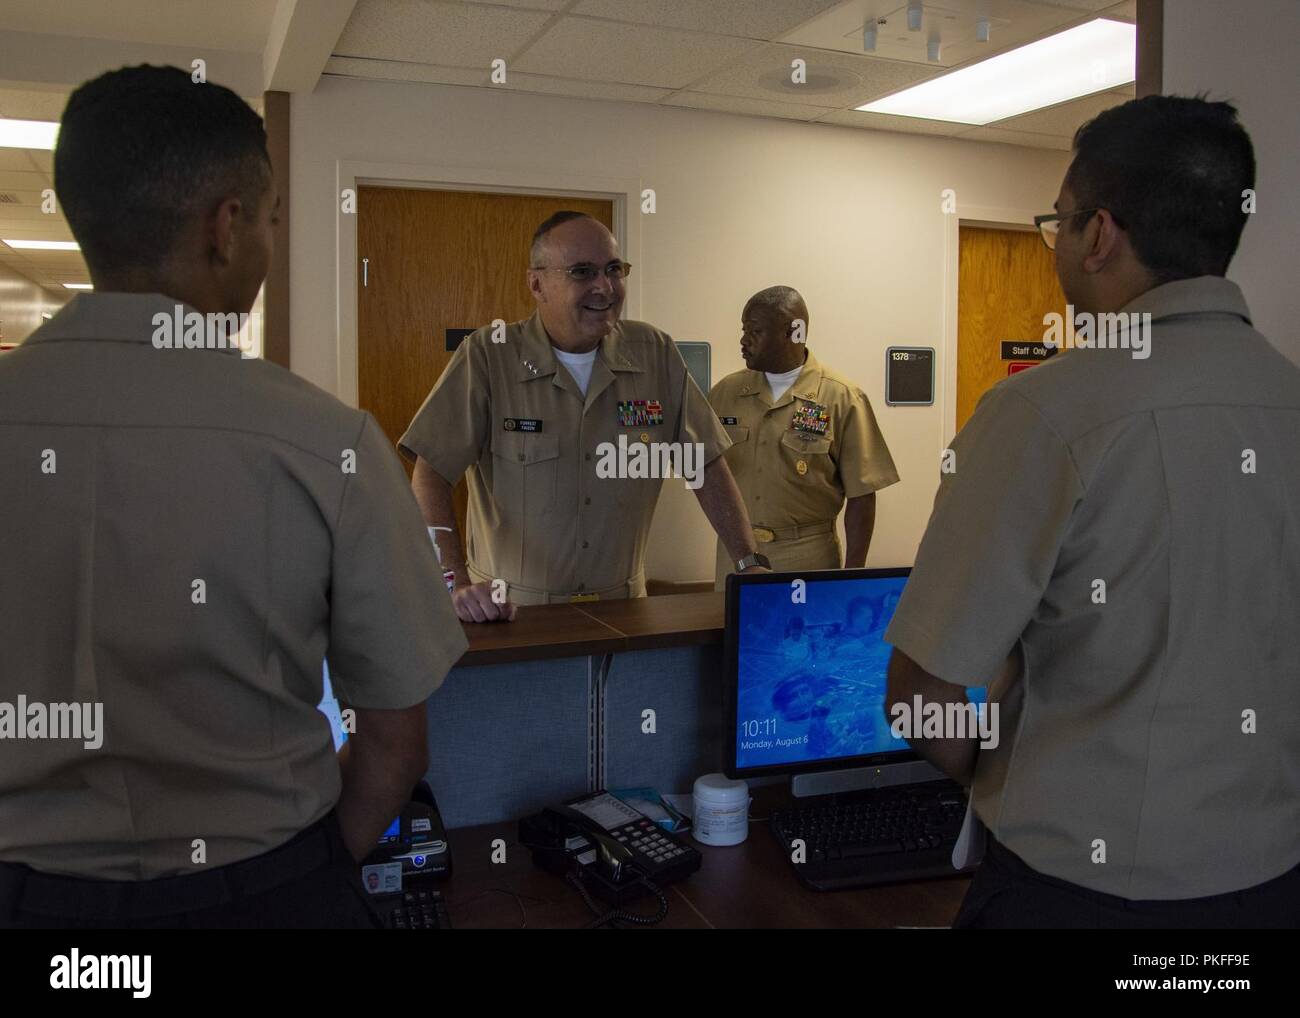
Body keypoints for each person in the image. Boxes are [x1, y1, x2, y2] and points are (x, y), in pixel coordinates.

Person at [0, 65, 466, 928]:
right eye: (274, 220)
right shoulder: (331, 444)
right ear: (227, 227)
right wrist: (313, 873)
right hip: (266, 889)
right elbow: (396, 745)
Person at [884, 95, 1300, 928]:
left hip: (1074, 888)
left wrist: (1001, 779)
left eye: (1059, 224)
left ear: (1101, 235)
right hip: (1271, 883)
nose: (1058, 246)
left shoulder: (1042, 414)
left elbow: (920, 695)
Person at [401, 212, 769, 621]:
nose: (604, 287)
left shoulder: (655, 353)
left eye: (614, 269)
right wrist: (453, 581)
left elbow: (704, 462)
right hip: (512, 615)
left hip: (625, 609)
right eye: (583, 272)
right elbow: (431, 470)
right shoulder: (489, 356)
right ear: (537, 283)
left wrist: (747, 560)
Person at [708, 286, 899, 587]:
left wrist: (852, 576)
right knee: (733, 633)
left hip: (807, 556)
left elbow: (862, 496)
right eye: (744, 330)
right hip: (737, 556)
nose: (744, 340)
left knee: (808, 634)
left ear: (792, 331)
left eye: (755, 331)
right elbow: (704, 472)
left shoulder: (841, 398)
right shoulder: (725, 394)